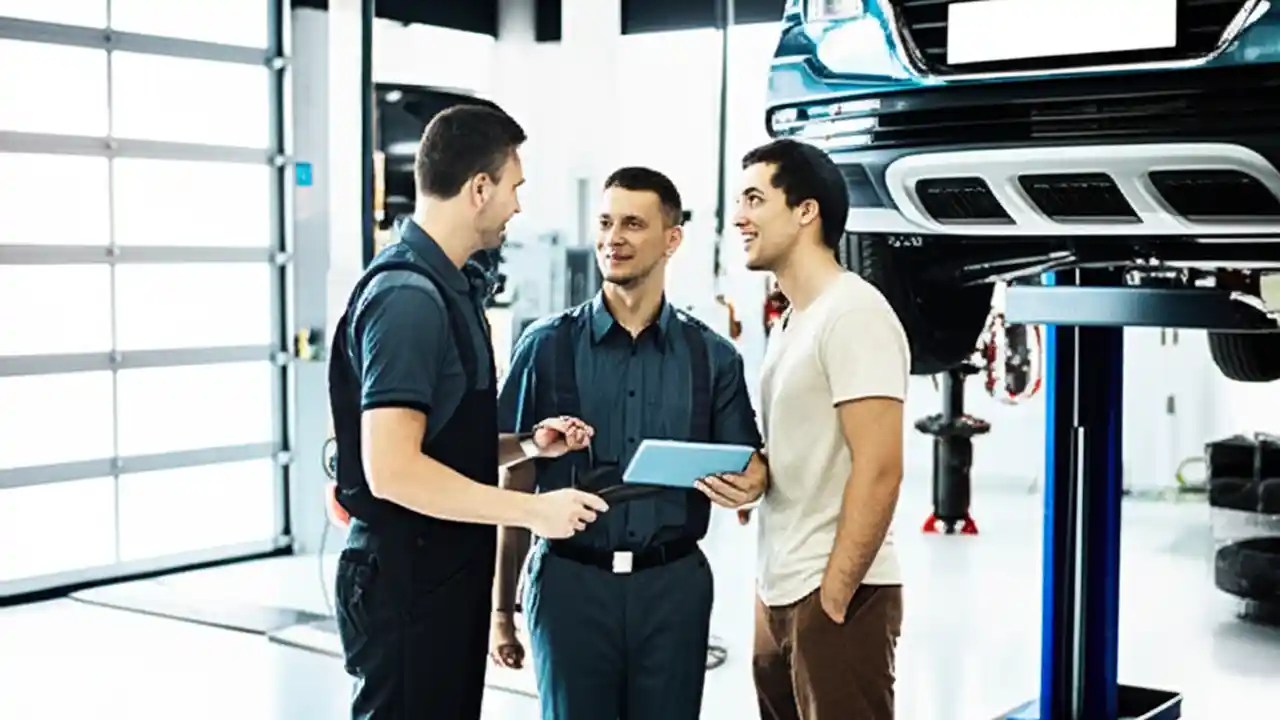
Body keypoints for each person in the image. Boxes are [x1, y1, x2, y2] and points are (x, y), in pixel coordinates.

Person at [326, 104, 610, 720]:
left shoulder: (447, 288)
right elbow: (394, 470)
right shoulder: (408, 299)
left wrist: (528, 445)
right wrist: (534, 510)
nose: (517, 206)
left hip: (441, 576)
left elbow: (439, 447)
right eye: (515, 187)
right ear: (479, 188)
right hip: (406, 581)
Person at [489, 166, 767, 720]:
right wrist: (501, 610)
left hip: (673, 587)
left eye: (633, 224)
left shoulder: (712, 358)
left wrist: (749, 486)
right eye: (606, 222)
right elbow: (512, 471)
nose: (613, 238)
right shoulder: (545, 347)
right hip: (569, 585)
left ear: (672, 239)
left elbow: (752, 465)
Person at [734, 138, 909, 720]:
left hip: (835, 598)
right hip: (783, 588)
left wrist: (832, 594)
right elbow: (802, 450)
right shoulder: (792, 321)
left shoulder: (853, 312)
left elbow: (880, 467)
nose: (741, 217)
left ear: (805, 211)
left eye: (755, 199)